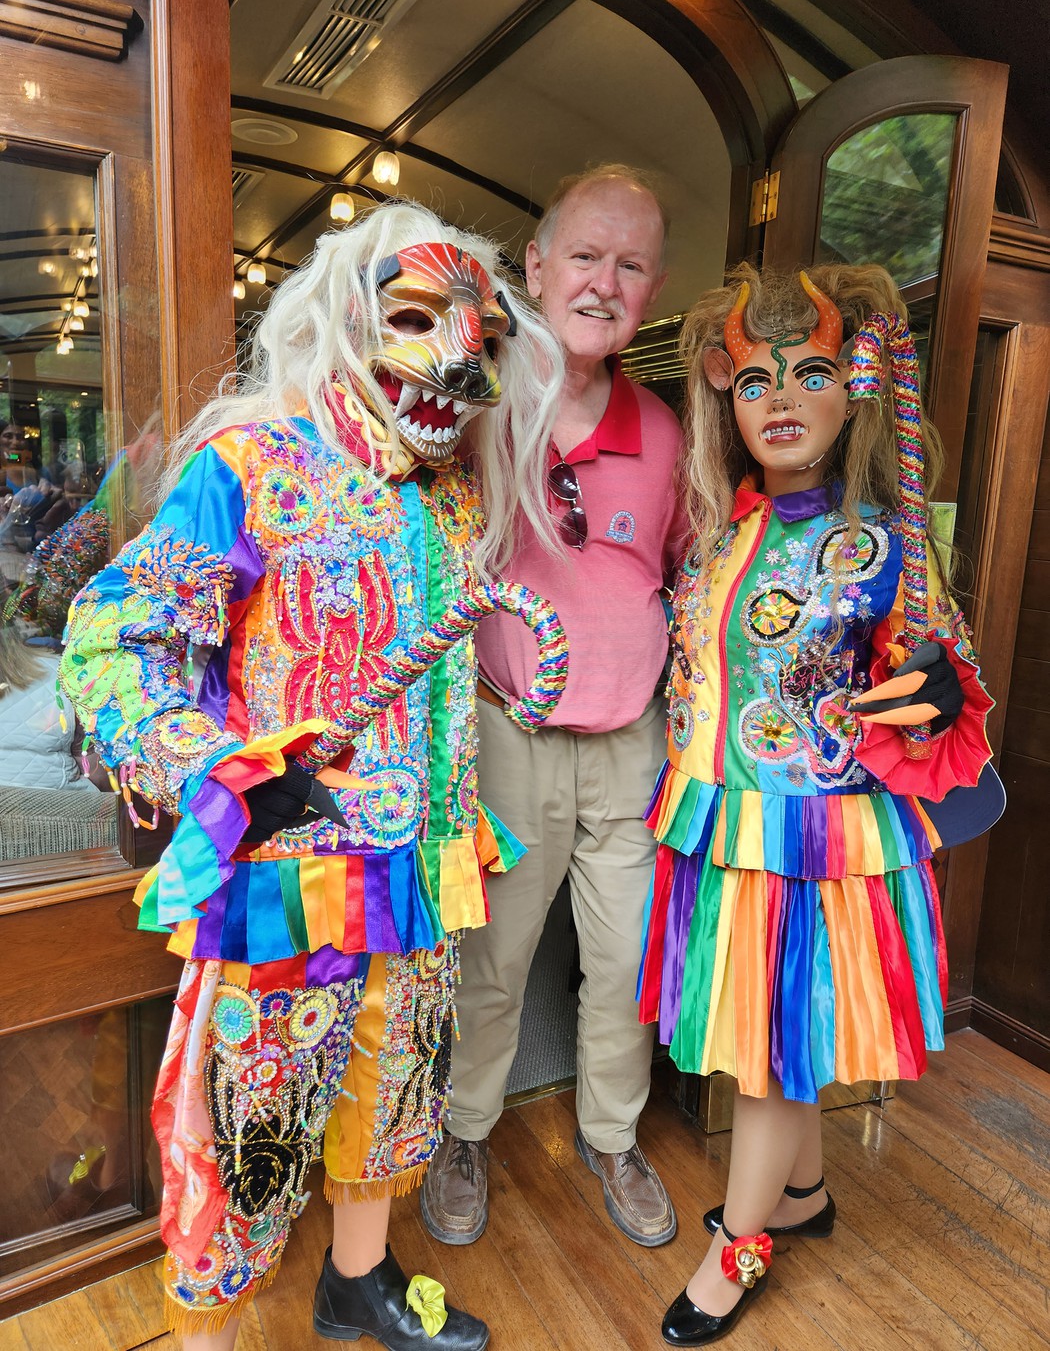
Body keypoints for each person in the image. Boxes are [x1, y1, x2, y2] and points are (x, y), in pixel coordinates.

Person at [59, 201, 565, 1351]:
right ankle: (217, 1324)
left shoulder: (451, 496)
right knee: (254, 1117)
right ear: (344, 318)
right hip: (289, 879)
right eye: (415, 317)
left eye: (478, 339)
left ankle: (359, 1277)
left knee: (396, 1088)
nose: (454, 359)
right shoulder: (250, 464)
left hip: (423, 863)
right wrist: (215, 768)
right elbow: (112, 636)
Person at [641, 264, 993, 1344]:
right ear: (723, 395)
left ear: (856, 390)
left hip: (817, 834)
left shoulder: (886, 542)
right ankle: (800, 1197)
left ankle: (736, 1250)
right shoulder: (718, 534)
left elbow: (941, 676)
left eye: (812, 371)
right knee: (768, 1027)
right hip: (720, 821)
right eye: (754, 379)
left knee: (770, 1045)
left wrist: (936, 686)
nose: (781, 398)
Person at [422, 164, 683, 1249]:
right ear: (535, 266)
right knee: (494, 960)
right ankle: (465, 1129)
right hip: (508, 734)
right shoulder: (470, 402)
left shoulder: (670, 431)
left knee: (625, 964)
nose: (604, 281)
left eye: (630, 264)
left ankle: (613, 1136)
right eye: (586, 254)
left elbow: (684, 570)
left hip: (634, 741)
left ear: (653, 286)